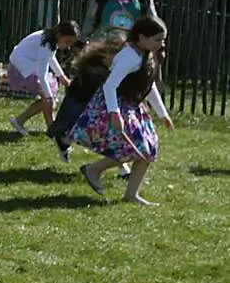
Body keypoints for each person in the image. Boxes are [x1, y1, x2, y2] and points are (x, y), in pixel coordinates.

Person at [69, 16, 175, 205]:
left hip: (133, 107)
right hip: (114, 105)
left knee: (148, 149)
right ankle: (93, 170)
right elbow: (110, 86)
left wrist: (163, 114)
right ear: (142, 37)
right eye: (158, 39)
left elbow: (148, 86)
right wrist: (115, 114)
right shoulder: (129, 56)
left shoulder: (146, 54)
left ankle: (131, 195)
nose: (161, 44)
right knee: (133, 147)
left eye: (163, 39)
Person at [8, 21, 80, 136]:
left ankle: (21, 121)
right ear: (59, 35)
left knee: (47, 99)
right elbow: (42, 74)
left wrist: (61, 76)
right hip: (22, 68)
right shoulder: (46, 43)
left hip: (27, 66)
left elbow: (50, 58)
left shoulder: (49, 39)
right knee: (47, 99)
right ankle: (53, 131)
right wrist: (49, 96)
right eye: (67, 41)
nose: (68, 46)